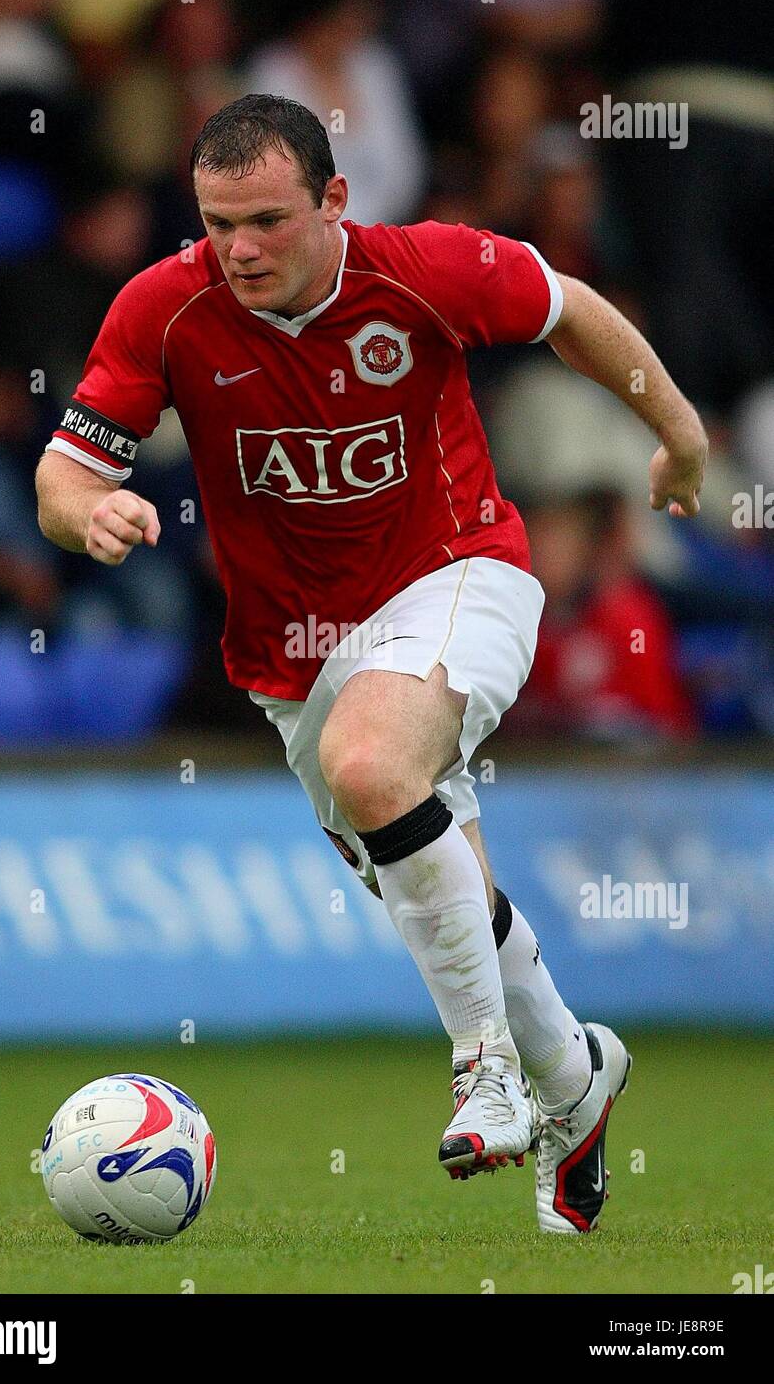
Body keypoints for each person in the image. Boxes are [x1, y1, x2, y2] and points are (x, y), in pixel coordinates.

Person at [35, 94, 707, 1234]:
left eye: (265, 220)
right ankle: (575, 1078)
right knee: (435, 881)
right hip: (286, 654)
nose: (238, 249)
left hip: (455, 573)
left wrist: (679, 432)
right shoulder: (165, 305)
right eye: (215, 223)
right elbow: (64, 471)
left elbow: (569, 308)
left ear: (334, 201)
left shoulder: (422, 271)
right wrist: (85, 515)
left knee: (369, 764)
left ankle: (483, 1066)